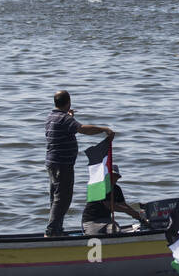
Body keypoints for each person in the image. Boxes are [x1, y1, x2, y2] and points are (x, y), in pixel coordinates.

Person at [44, 91, 113, 236]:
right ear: (68, 102)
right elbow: (82, 129)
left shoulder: (52, 117)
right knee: (62, 199)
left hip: (53, 163)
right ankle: (51, 231)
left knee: (56, 198)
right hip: (62, 165)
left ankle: (57, 229)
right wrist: (104, 130)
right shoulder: (64, 119)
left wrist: (69, 117)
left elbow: (65, 127)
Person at [80, 168, 144, 235]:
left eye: (117, 176)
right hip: (92, 221)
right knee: (94, 237)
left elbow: (123, 205)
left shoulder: (117, 189)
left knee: (115, 230)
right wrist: (128, 211)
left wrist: (137, 215)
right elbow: (109, 205)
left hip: (107, 220)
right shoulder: (98, 188)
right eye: (113, 175)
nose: (116, 178)